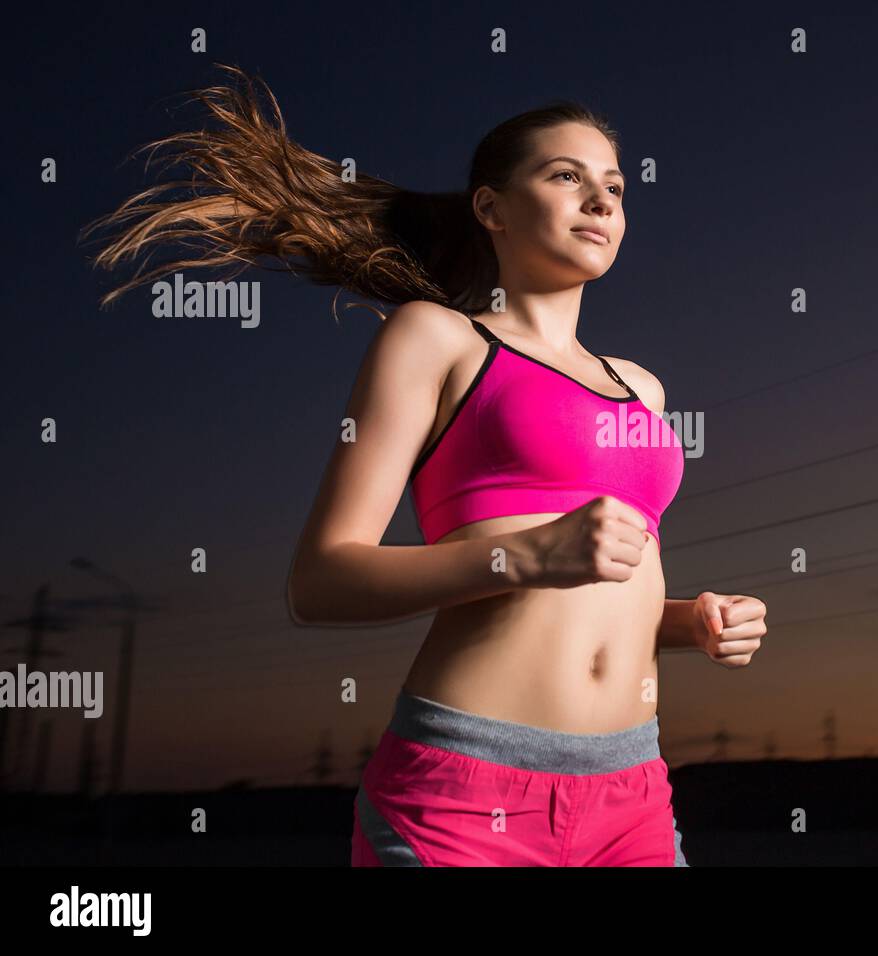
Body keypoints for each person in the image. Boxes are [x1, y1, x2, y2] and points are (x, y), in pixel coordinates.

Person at [83, 63, 768, 866]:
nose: (602, 202)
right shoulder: (437, 339)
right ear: (492, 208)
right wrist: (529, 555)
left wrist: (689, 620)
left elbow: (596, 595)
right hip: (464, 795)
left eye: (615, 187)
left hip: (633, 797)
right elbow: (321, 582)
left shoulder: (642, 389)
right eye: (565, 177)